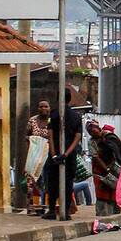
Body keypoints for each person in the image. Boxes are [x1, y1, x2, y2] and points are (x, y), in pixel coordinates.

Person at [43, 87, 82, 220]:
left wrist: (54, 155)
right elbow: (77, 138)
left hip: (55, 155)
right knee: (68, 184)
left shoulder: (53, 115)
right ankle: (65, 211)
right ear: (69, 99)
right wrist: (66, 154)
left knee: (52, 183)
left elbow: (50, 136)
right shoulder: (77, 117)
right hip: (69, 156)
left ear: (58, 98)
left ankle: (52, 210)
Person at [87, 120, 121, 216]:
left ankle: (115, 212)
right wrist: (106, 169)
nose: (93, 133)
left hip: (114, 166)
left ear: (99, 128)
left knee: (114, 189)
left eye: (94, 130)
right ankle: (103, 213)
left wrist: (115, 165)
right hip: (99, 169)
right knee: (102, 191)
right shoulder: (91, 142)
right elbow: (96, 157)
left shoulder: (109, 136)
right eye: (90, 132)